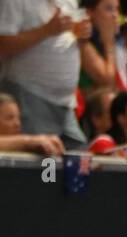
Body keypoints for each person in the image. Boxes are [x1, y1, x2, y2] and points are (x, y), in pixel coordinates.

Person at [0, 0, 93, 147]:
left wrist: (82, 35)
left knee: (77, 159)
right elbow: (3, 43)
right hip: (29, 94)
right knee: (40, 161)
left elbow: (64, 39)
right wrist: (46, 30)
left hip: (66, 102)